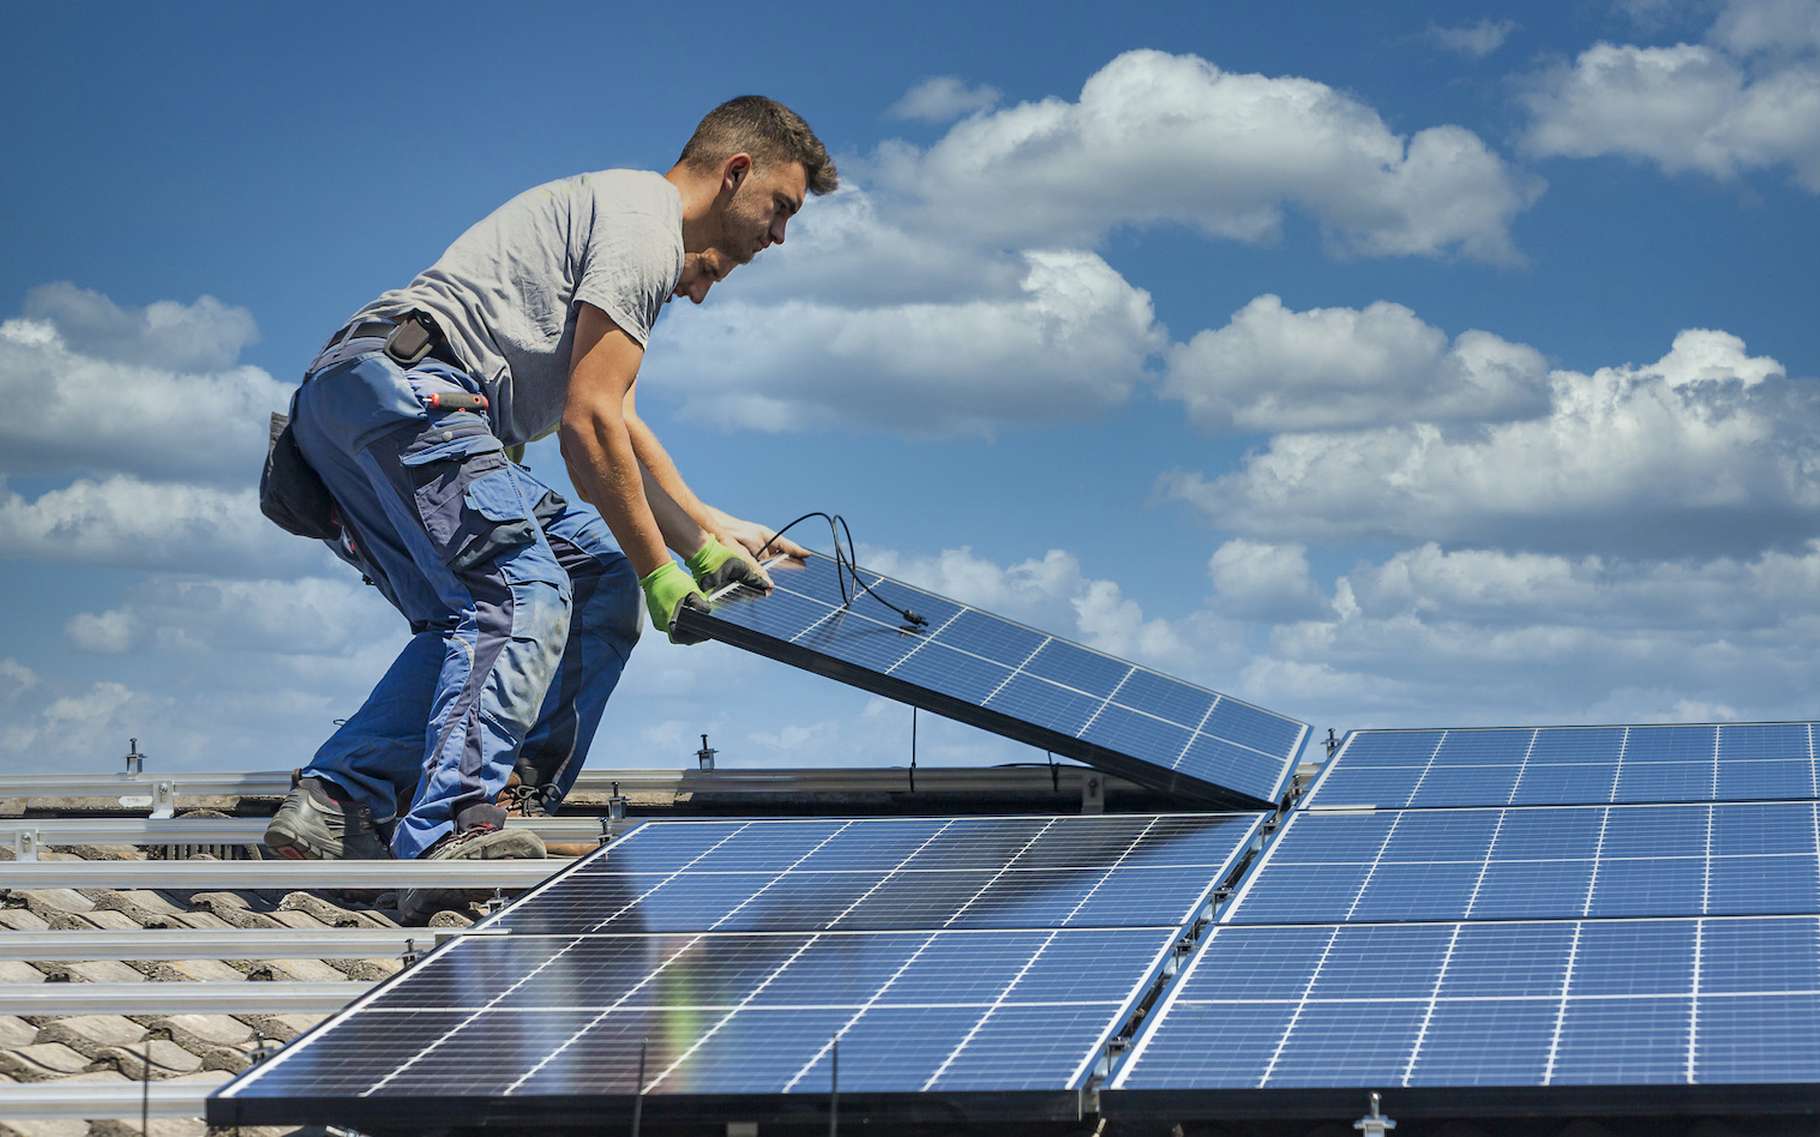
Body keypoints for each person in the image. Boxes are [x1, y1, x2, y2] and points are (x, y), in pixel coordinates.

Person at [260, 96, 834, 921]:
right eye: (780, 208)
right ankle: (458, 819)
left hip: (361, 403)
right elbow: (588, 426)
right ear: (735, 172)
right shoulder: (646, 226)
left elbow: (619, 423)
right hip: (413, 392)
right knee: (522, 592)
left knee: (584, 578)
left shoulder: (621, 219)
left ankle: (338, 804)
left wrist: (709, 529)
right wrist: (666, 573)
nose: (779, 235)